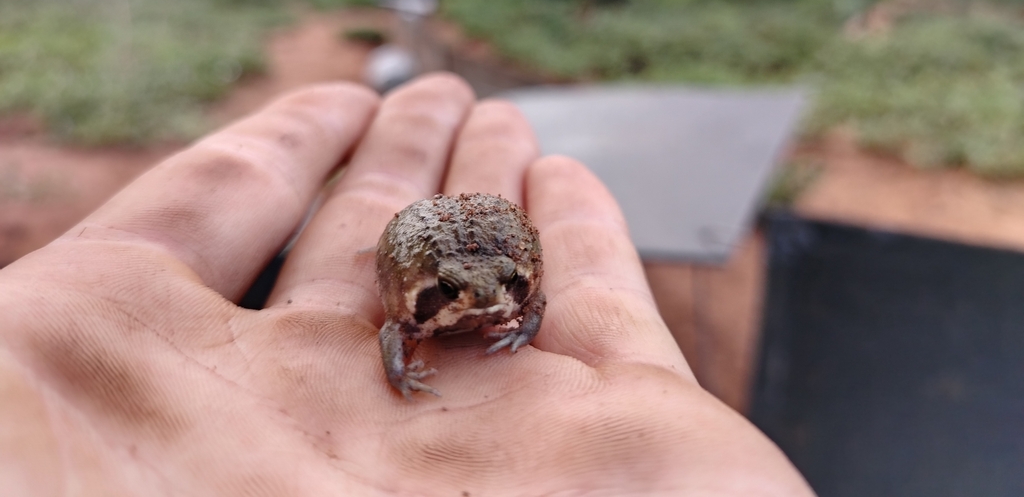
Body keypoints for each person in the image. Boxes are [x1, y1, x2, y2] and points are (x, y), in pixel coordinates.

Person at [0, 74, 814, 495]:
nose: (486, 304)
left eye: (498, 291)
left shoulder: (510, 292)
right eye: (461, 296)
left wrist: (521, 325)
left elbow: (526, 303)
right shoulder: (413, 321)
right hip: (424, 237)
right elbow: (393, 333)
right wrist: (402, 376)